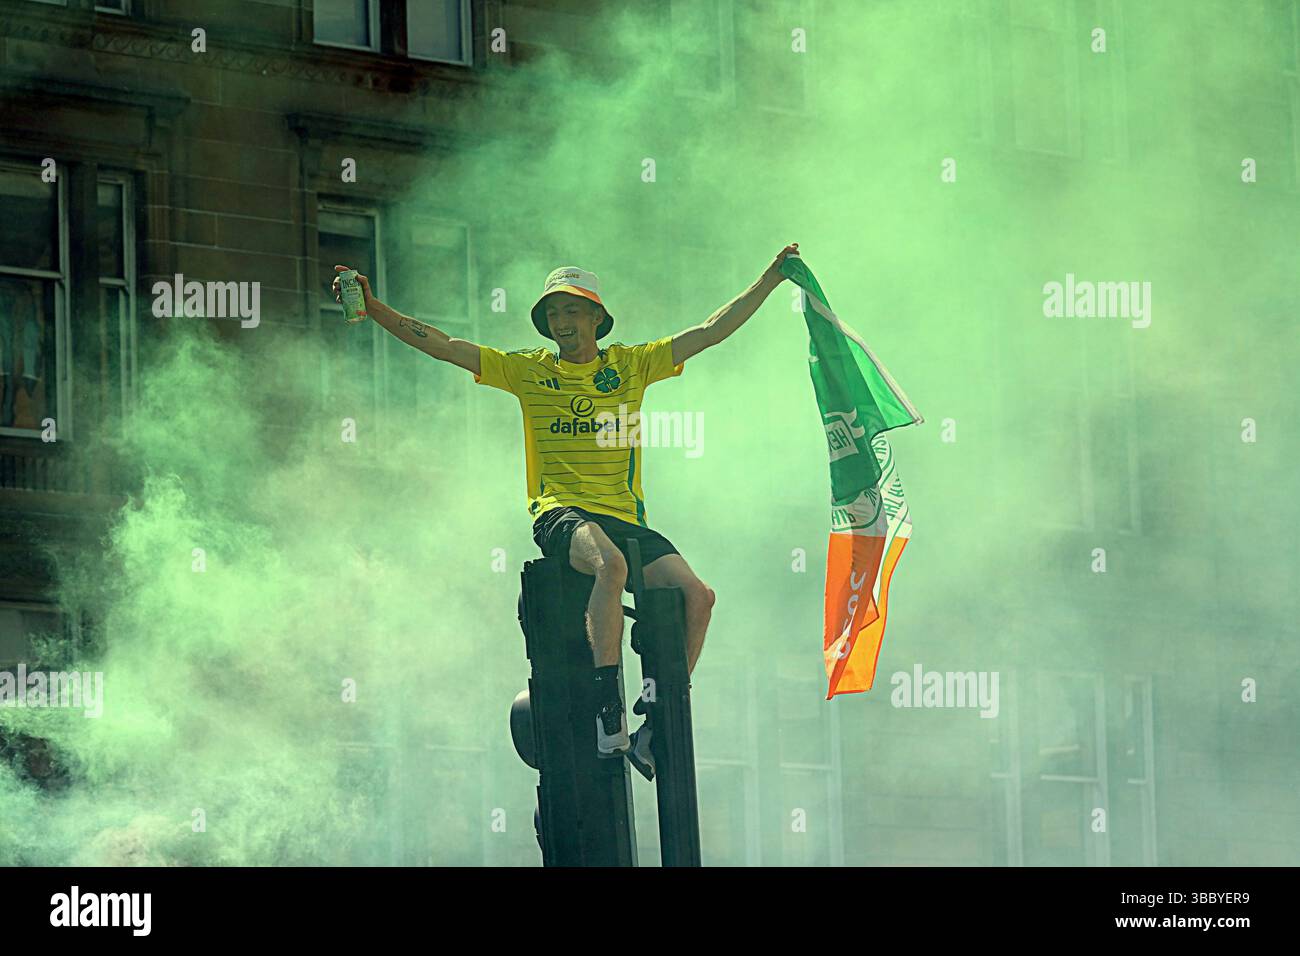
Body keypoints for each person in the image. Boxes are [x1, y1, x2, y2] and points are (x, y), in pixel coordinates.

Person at [332, 243, 798, 773]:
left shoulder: (633, 364)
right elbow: (443, 345)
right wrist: (374, 308)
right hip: (561, 512)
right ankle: (608, 710)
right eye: (552, 312)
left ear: (597, 317)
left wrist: (772, 277)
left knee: (699, 596)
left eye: (571, 309)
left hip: (625, 517)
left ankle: (658, 720)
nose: (561, 320)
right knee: (611, 566)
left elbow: (713, 329)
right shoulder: (527, 371)